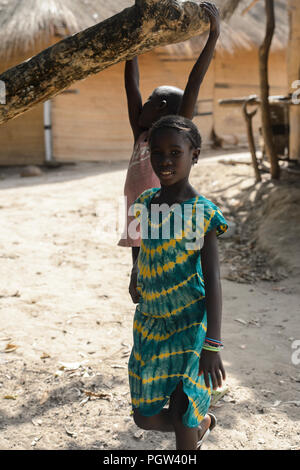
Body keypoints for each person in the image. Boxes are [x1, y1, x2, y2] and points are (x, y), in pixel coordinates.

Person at [127, 115, 228, 450]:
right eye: (158, 153)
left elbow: (212, 280)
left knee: (183, 407)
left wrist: (212, 343)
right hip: (151, 323)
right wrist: (136, 272)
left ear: (194, 154)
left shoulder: (202, 212)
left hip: (189, 322)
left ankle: (191, 431)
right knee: (144, 416)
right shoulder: (144, 204)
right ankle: (202, 426)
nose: (165, 160)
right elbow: (139, 244)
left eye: (175, 152)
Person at [118, 2, 220, 268]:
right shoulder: (142, 136)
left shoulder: (177, 132)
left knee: (166, 266)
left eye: (150, 99)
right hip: (136, 211)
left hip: (164, 212)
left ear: (161, 107)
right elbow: (132, 87)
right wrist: (134, 47)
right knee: (140, 272)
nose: (143, 102)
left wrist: (213, 37)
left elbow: (193, 83)